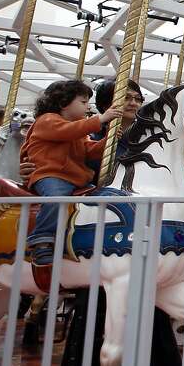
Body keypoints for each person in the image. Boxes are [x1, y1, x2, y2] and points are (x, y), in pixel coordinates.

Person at [20, 80, 121, 288]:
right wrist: (100, 119)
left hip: (74, 180)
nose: (88, 107)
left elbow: (88, 151)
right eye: (83, 102)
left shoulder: (78, 131)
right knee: (57, 198)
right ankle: (42, 239)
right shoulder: (47, 121)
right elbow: (66, 132)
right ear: (64, 103)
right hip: (51, 175)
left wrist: (108, 141)